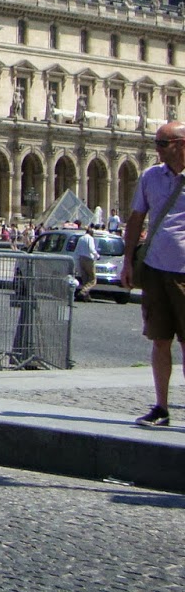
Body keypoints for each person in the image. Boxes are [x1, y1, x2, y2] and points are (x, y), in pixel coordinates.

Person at [121, 120, 185, 428]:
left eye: (162, 143)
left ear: (181, 145)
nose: (156, 149)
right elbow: (135, 219)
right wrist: (127, 262)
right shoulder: (150, 177)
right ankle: (161, 407)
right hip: (157, 268)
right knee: (160, 340)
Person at [73, 225, 99, 302]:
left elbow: (77, 250)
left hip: (81, 259)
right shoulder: (90, 238)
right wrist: (97, 255)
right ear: (91, 234)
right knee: (93, 279)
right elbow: (91, 249)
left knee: (85, 279)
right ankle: (83, 292)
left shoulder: (81, 238)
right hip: (89, 259)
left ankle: (86, 297)